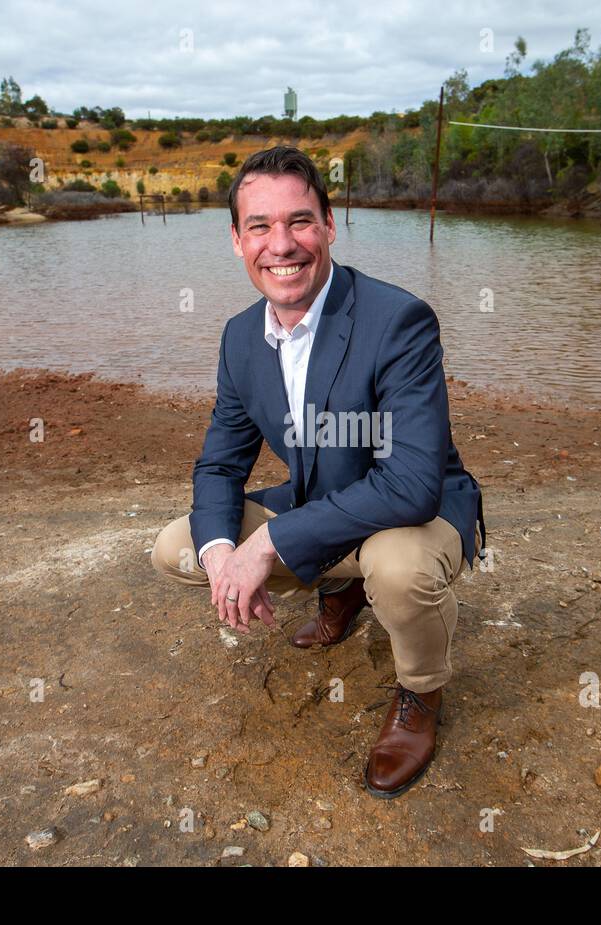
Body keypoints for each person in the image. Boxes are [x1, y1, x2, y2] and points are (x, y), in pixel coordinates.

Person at [151, 146, 484, 798]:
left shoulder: (399, 321)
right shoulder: (239, 337)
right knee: (179, 548)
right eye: (260, 226)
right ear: (236, 240)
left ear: (330, 225)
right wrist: (224, 554)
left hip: (423, 510)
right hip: (324, 504)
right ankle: (341, 588)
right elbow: (221, 461)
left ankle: (421, 693)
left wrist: (271, 543)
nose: (283, 244)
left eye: (300, 221)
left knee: (400, 569)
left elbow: (411, 484)